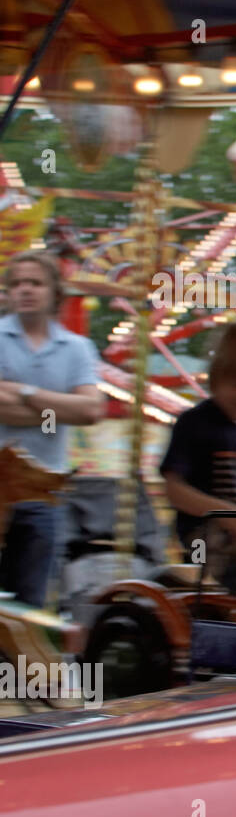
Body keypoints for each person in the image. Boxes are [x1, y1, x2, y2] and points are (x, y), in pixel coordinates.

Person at [0, 250, 104, 607]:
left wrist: (24, 392)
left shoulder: (76, 348)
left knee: (32, 599)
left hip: (44, 492)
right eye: (17, 284)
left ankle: (17, 664)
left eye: (35, 282)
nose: (25, 290)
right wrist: (58, 407)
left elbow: (91, 410)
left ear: (53, 291)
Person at [159, 322, 236, 593]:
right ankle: (214, 606)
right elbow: (174, 490)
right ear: (216, 381)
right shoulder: (195, 423)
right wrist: (227, 514)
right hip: (203, 534)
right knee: (220, 553)